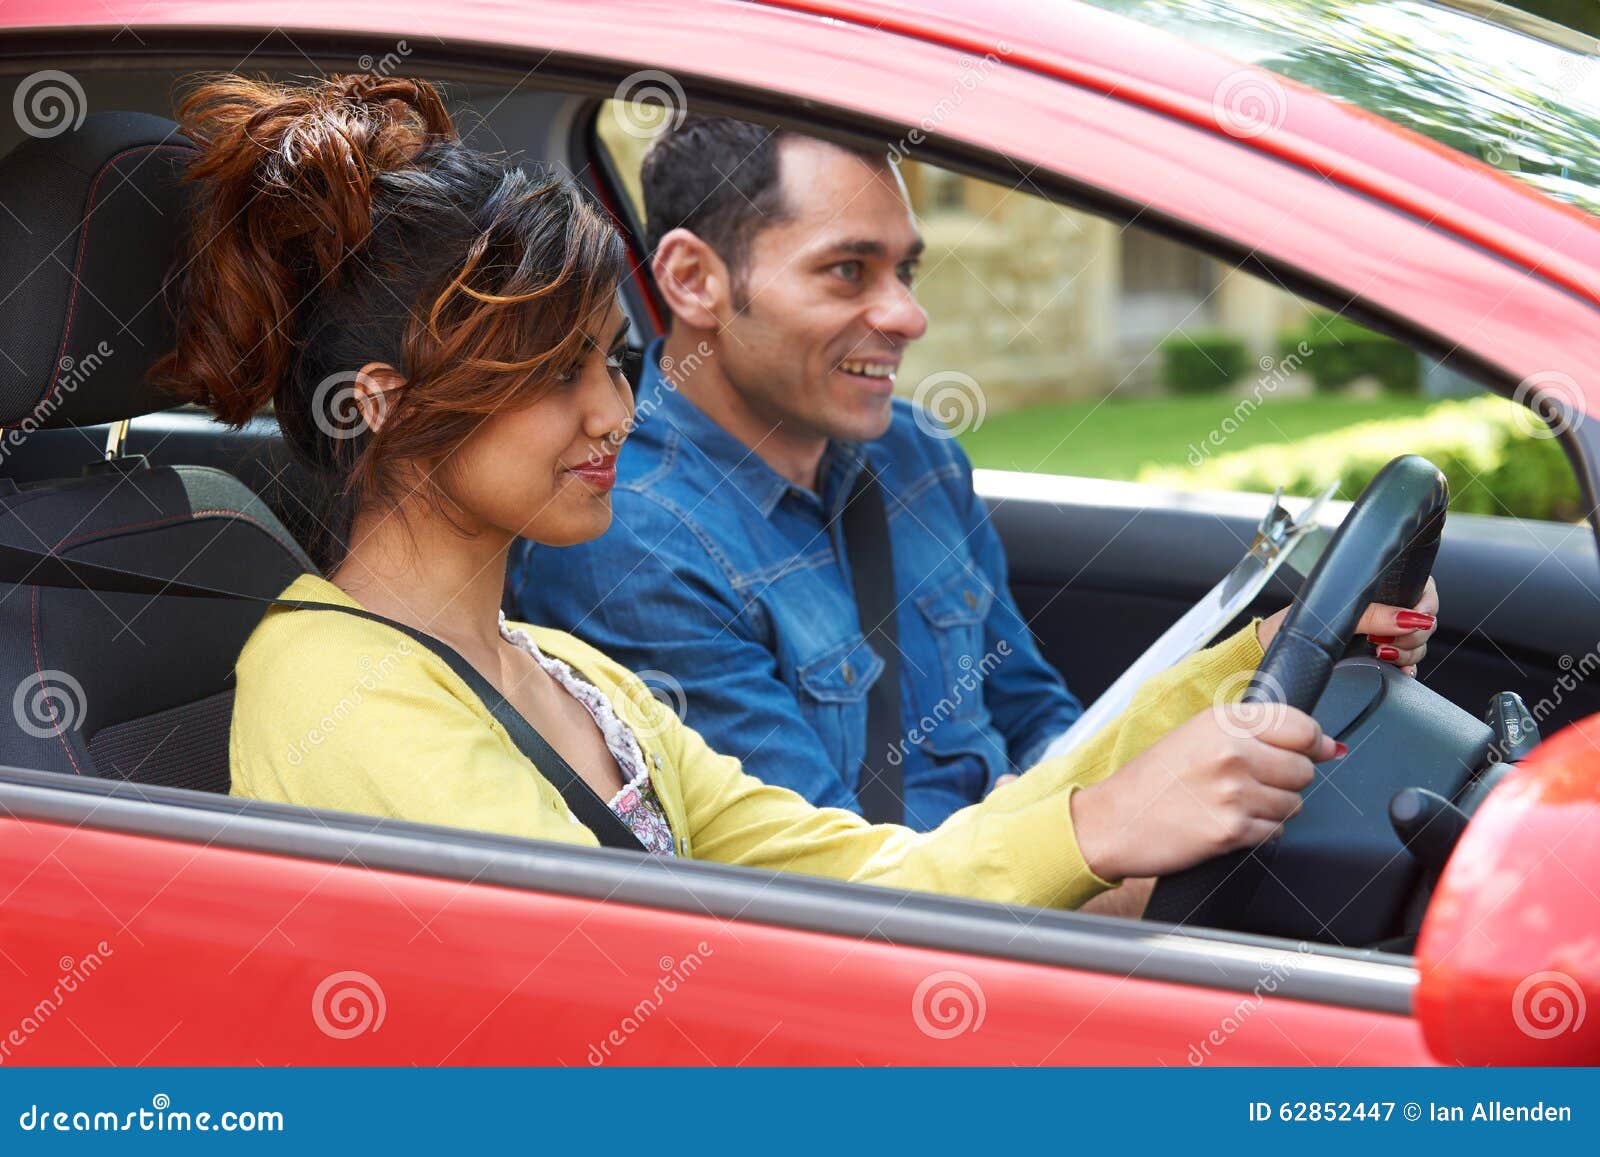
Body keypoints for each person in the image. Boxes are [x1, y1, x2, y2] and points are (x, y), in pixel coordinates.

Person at [157, 74, 1437, 917]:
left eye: (609, 357)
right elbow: (607, 1012)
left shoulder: (565, 670)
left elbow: (877, 879)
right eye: (549, 375)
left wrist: (1240, 673)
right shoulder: (333, 687)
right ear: (378, 399)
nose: (615, 410)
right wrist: (1102, 824)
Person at [512, 116, 1435, 830]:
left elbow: (1038, 719)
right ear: (692, 280)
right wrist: (1119, 848)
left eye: (905, 269)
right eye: (847, 271)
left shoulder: (915, 456)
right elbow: (830, 885)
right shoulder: (625, 536)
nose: (908, 316)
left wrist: (1255, 681)